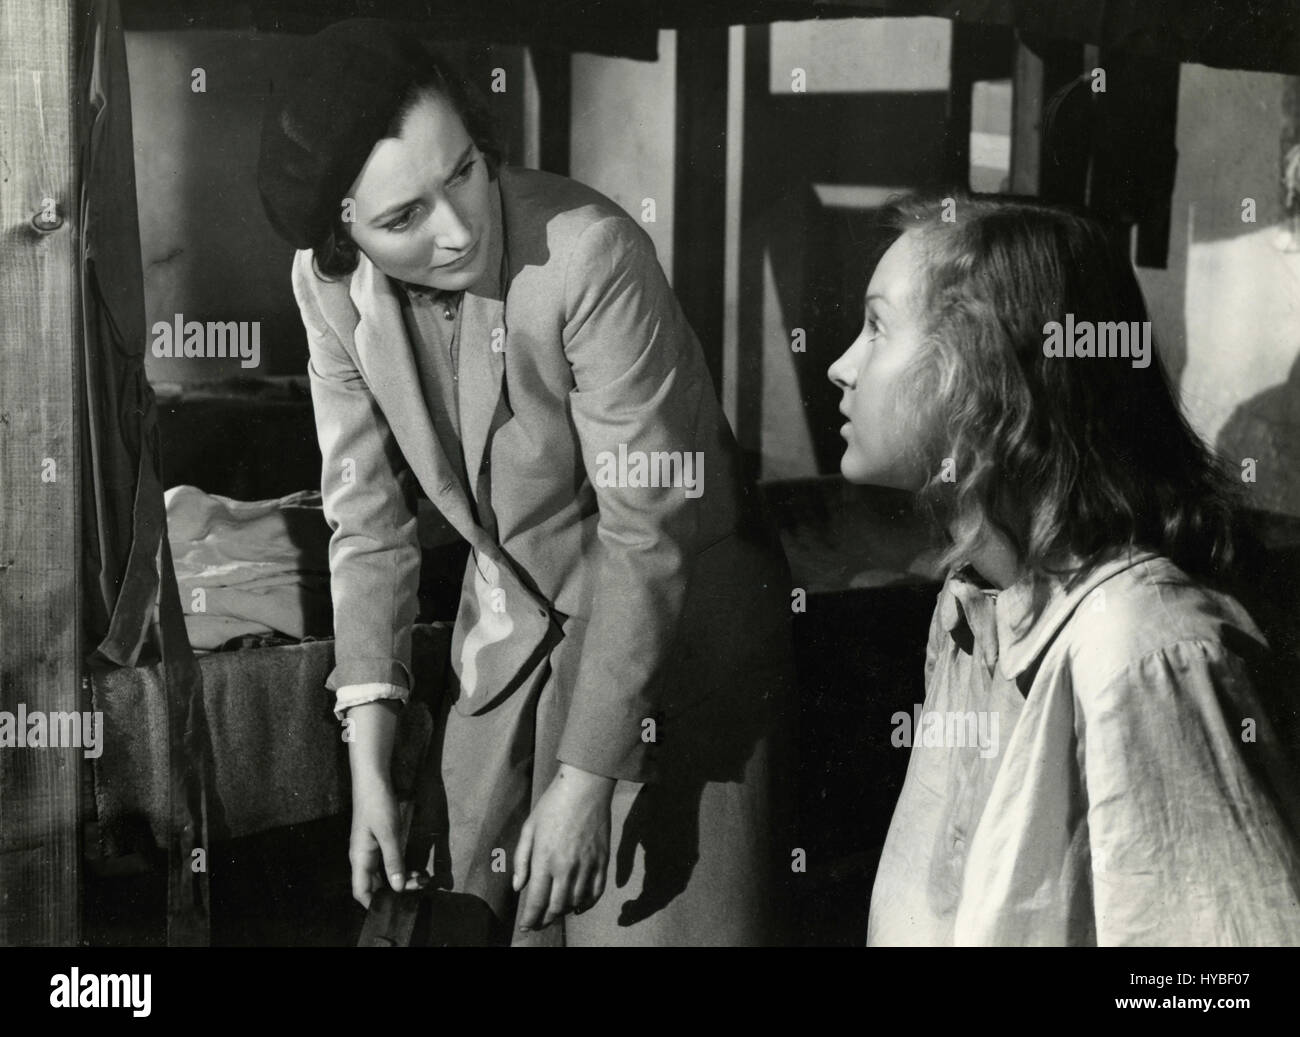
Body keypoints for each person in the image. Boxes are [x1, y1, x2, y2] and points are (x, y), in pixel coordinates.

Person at [257, 19, 794, 946]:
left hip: (675, 637)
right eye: (403, 218)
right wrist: (371, 757)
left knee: (633, 917)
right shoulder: (327, 287)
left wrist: (591, 775)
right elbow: (368, 517)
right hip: (519, 630)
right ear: (342, 230)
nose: (459, 228)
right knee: (450, 920)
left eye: (462, 172)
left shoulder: (589, 254)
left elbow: (647, 532)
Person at [828, 192, 1300, 946]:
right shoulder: (973, 608)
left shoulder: (1142, 652)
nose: (840, 366)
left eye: (877, 326)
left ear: (981, 379)